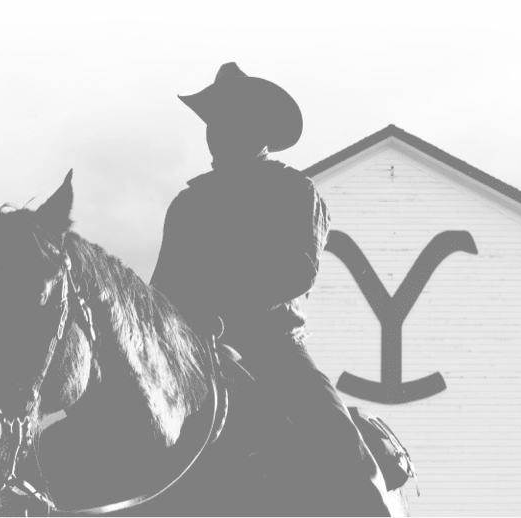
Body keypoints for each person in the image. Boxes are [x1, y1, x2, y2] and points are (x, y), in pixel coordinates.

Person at [151, 62, 391, 516]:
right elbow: (162, 291)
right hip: (194, 354)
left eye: (229, 118)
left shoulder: (293, 191)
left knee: (344, 450)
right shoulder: (187, 205)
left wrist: (220, 312)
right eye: (213, 120)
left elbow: (297, 271)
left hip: (275, 351)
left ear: (258, 127)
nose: (217, 130)